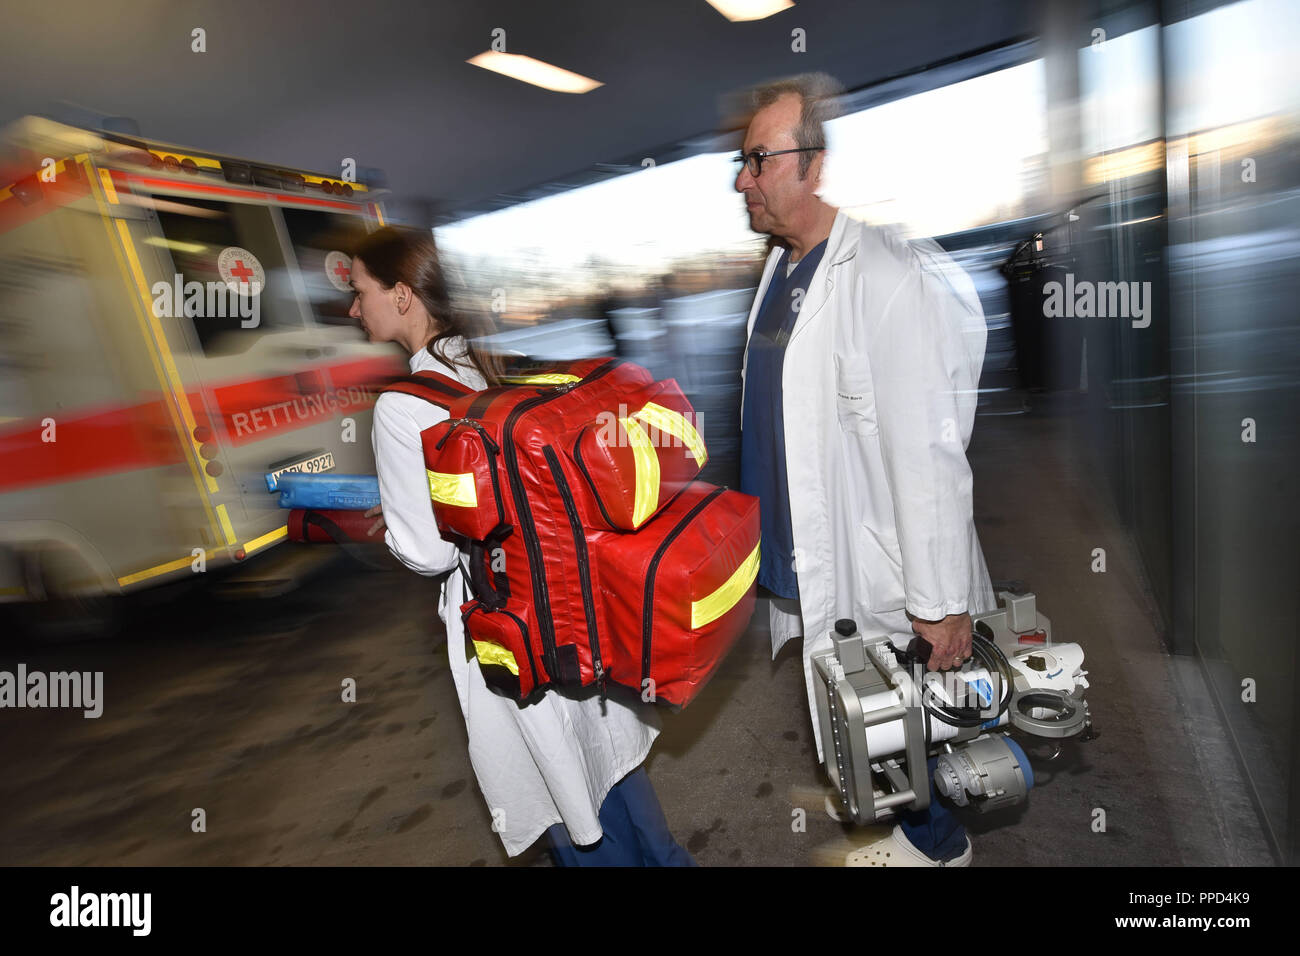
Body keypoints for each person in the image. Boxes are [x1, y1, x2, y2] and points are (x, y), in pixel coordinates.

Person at [351, 226, 694, 866]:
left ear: (402, 296)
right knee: (610, 768)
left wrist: (396, 529)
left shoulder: (403, 405)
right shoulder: (495, 363)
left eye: (359, 290)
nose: (352, 307)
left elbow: (428, 551)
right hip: (570, 606)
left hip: (508, 626)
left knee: (563, 787)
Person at [732, 74, 995, 866]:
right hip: (808, 552)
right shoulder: (778, 276)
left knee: (905, 721)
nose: (742, 180)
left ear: (812, 163)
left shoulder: (883, 272)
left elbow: (928, 445)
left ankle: (939, 850)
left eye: (757, 160)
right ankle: (904, 834)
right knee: (856, 718)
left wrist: (941, 600)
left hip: (874, 561)